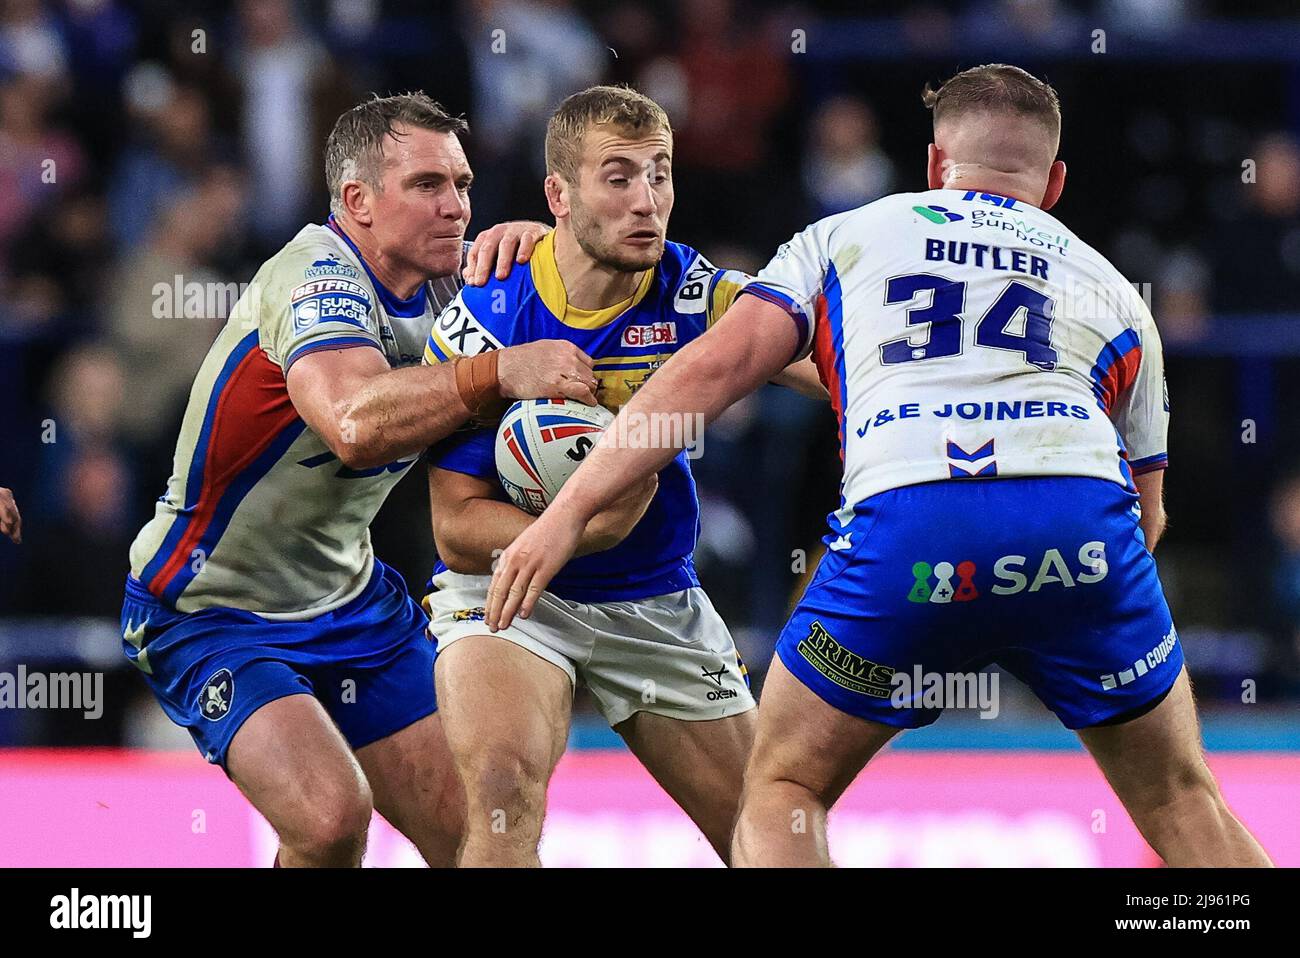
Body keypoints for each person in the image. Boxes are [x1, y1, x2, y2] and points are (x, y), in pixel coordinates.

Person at [486, 65, 1274, 868]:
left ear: (935, 166)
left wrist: (567, 513)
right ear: (1056, 181)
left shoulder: (847, 237)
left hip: (912, 532)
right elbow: (1147, 516)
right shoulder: (1115, 289)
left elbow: (702, 379)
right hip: (1082, 534)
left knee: (783, 790)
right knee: (1182, 799)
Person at [121, 91, 597, 868]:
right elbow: (354, 424)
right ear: (358, 201)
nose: (456, 208)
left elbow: (615, 311)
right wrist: (500, 368)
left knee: (485, 830)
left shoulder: (455, 284)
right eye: (428, 186)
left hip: (351, 601)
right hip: (209, 607)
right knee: (331, 820)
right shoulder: (314, 278)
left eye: (464, 186)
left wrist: (554, 254)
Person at [421, 85, 824, 867]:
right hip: (512, 592)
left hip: (655, 598)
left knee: (771, 838)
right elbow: (456, 529)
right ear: (558, 196)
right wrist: (571, 532)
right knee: (503, 791)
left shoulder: (697, 294)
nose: (648, 202)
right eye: (618, 178)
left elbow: (830, 367)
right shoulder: (486, 315)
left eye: (661, 175)